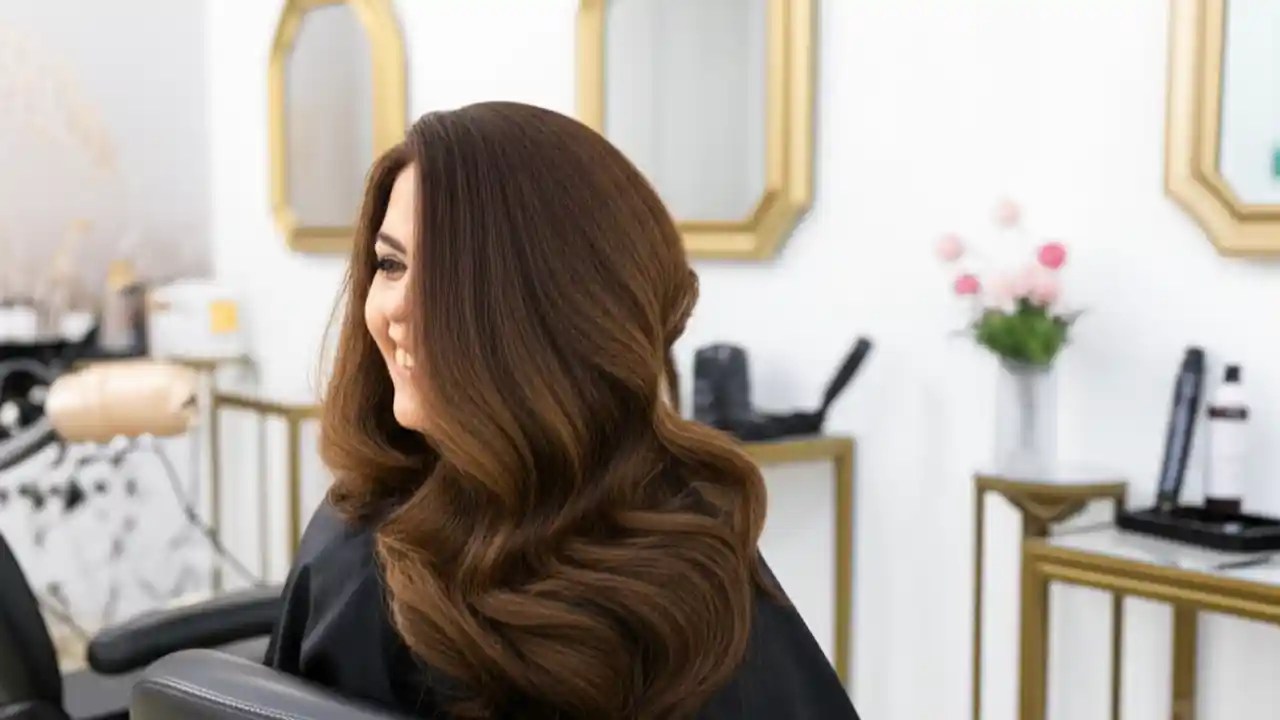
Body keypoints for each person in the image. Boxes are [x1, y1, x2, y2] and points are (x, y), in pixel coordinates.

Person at [264, 101, 859, 720]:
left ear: (554, 314)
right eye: (390, 264)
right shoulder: (364, 552)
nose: (395, 310)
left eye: (446, 276)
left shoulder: (688, 541)